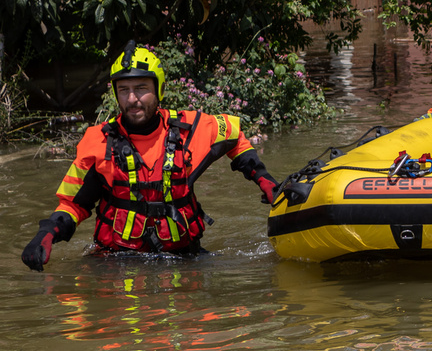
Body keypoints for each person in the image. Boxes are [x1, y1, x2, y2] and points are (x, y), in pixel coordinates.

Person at [20, 43, 279, 271]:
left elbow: (235, 136)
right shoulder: (97, 142)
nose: (132, 99)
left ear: (159, 89)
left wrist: (264, 179)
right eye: (124, 90)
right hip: (116, 260)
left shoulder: (191, 128)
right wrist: (47, 232)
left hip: (183, 257)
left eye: (141, 88)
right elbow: (73, 204)